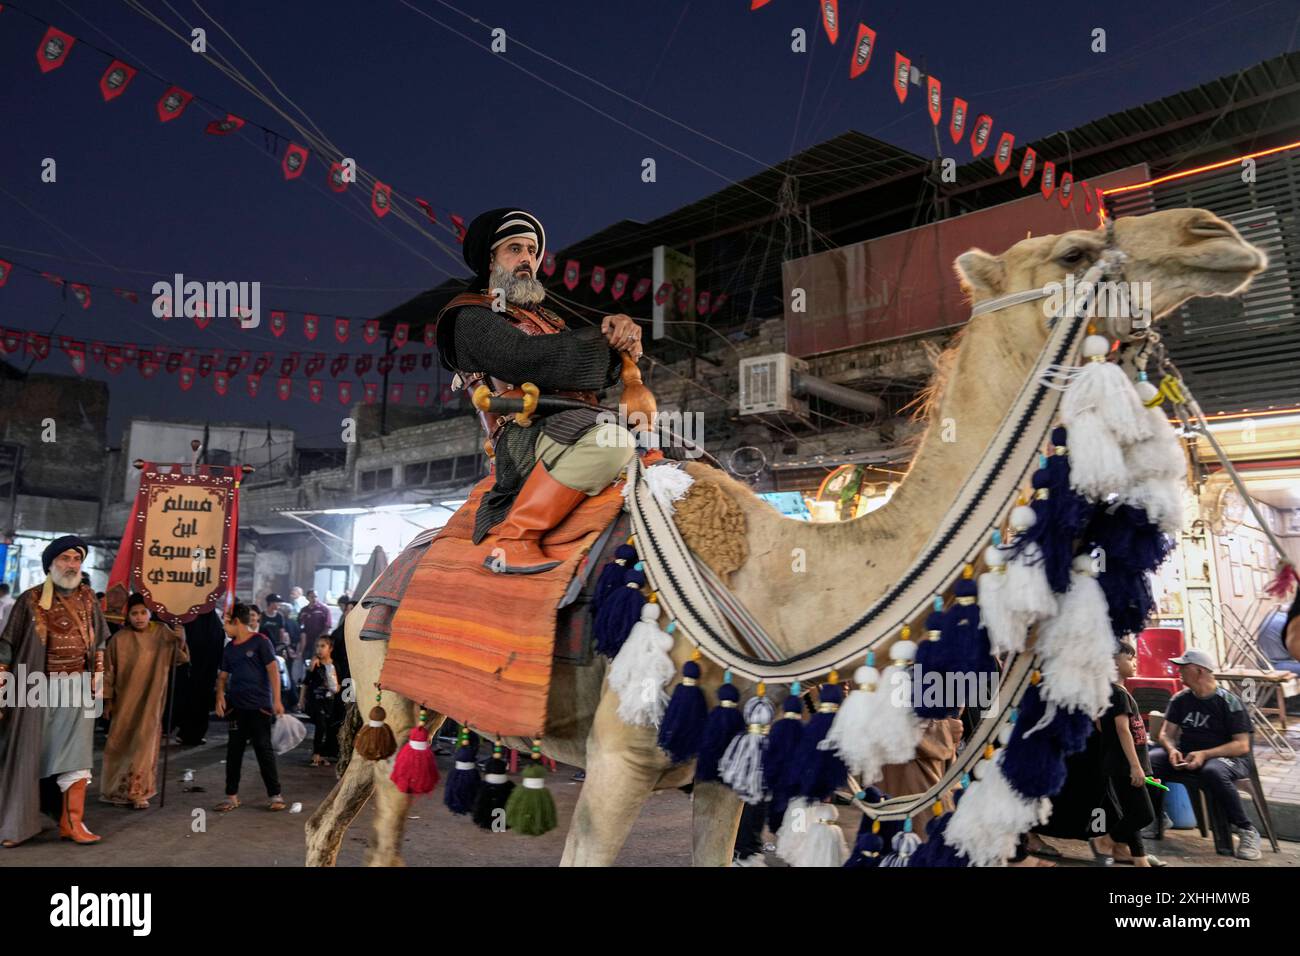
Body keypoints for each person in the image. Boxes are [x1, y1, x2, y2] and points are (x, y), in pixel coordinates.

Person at [434, 207, 639, 574]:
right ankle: (516, 539)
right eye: (514, 249)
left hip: (576, 421)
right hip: (523, 438)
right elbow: (523, 360)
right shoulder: (470, 316)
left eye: (532, 251)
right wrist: (602, 337)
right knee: (612, 444)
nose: (527, 258)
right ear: (490, 258)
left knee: (668, 447)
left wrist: (618, 345)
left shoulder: (547, 321)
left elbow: (581, 373)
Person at [0, 536, 112, 846]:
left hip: (77, 688)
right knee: (26, 753)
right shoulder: (29, 599)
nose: (71, 564)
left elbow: (100, 643)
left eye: (76, 558)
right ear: (50, 564)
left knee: (76, 758)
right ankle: (18, 824)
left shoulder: (89, 598)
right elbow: (7, 648)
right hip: (33, 687)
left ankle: (72, 823)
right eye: (65, 558)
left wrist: (98, 682)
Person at [1149, 647, 1261, 860]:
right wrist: (1172, 750)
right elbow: (1166, 733)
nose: (1179, 672)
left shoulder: (1229, 702)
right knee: (1148, 763)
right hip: (1189, 754)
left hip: (1230, 758)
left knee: (1214, 771)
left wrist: (1205, 754)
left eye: (1183, 668)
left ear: (1199, 671)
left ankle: (1246, 829)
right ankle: (1156, 816)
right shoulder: (1180, 699)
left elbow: (1242, 745)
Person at [100, 594, 189, 809]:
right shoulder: (119, 639)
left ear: (150, 613)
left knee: (144, 744)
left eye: (143, 612)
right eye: (134, 613)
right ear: (127, 615)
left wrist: (181, 638)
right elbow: (108, 672)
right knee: (119, 744)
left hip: (151, 699)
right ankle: (116, 791)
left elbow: (180, 658)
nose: (139, 617)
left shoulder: (161, 632)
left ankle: (137, 792)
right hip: (124, 701)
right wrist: (107, 701)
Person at [1089, 641, 1164, 867]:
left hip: (1118, 762)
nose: (1135, 662)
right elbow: (1122, 729)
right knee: (1143, 814)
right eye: (1130, 658)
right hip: (1125, 764)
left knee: (1132, 811)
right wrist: (1135, 765)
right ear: (1113, 662)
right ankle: (1104, 841)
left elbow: (1101, 726)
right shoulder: (1119, 695)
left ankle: (1140, 860)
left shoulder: (1110, 692)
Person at [214, 603, 286, 813]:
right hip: (236, 707)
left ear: (237, 622)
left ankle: (275, 794)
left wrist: (277, 700)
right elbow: (223, 676)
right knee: (233, 751)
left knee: (263, 749)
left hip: (260, 707)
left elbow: (273, 672)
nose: (224, 627)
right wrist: (219, 694)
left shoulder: (261, 642)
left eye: (226, 622)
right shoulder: (229, 649)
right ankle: (231, 796)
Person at [300, 637, 340, 765]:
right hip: (315, 700)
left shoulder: (335, 665)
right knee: (321, 725)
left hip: (329, 701)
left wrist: (335, 687)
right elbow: (305, 683)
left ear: (331, 649)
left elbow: (339, 685)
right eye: (317, 646)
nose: (319, 649)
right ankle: (316, 755)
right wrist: (301, 700)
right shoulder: (315, 664)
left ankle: (321, 754)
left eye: (323, 646)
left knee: (326, 726)